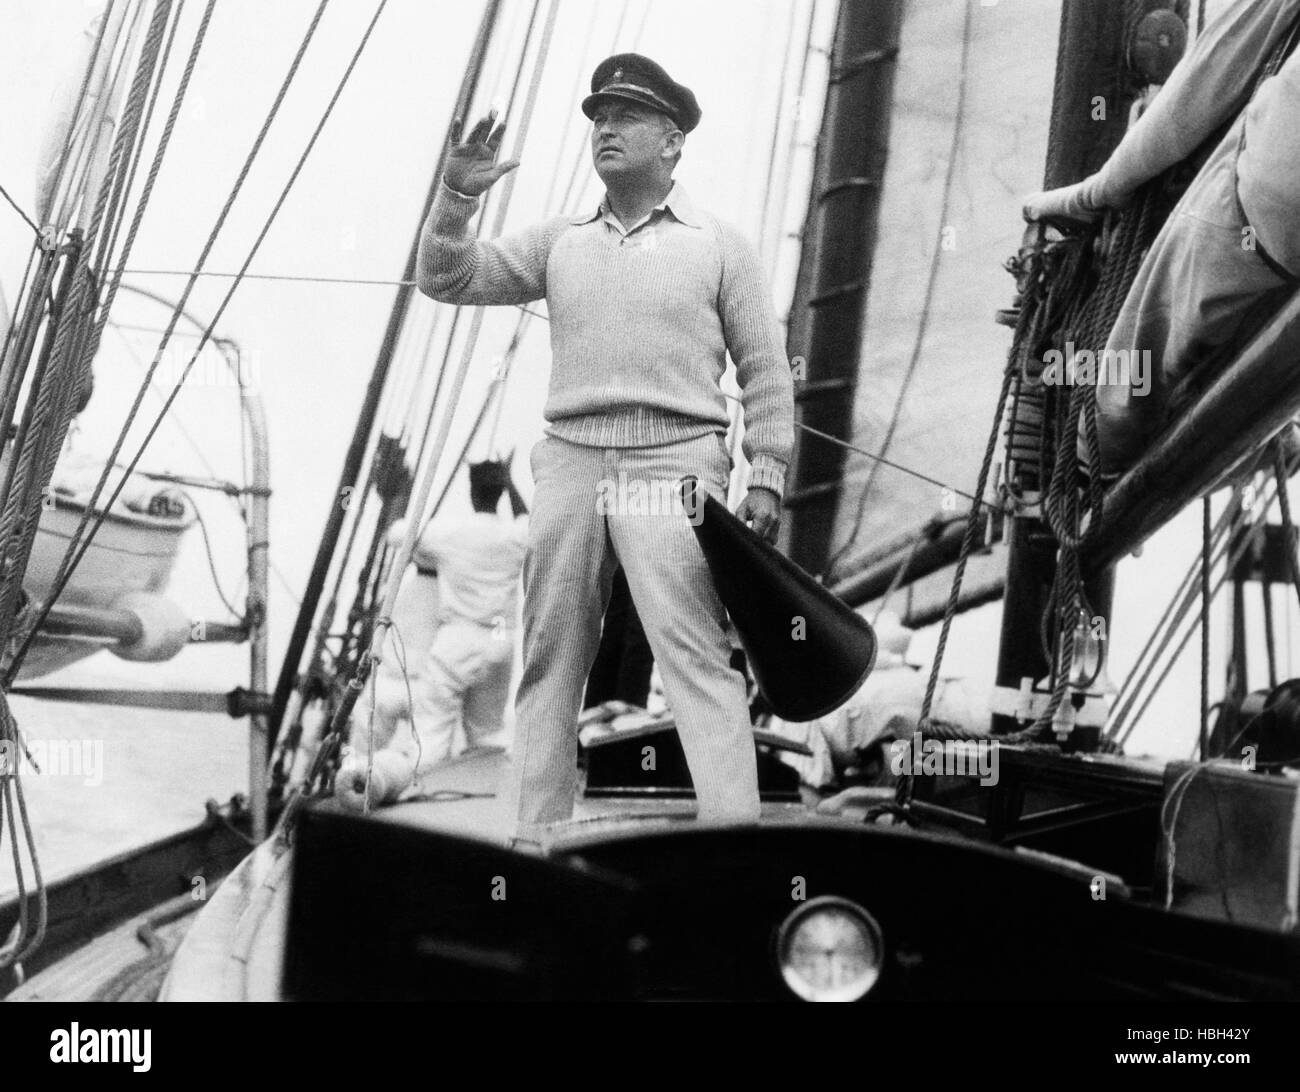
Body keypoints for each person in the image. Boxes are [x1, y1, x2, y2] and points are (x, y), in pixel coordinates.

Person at [417, 53, 794, 838]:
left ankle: (735, 842)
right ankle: (532, 838)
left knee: (692, 654)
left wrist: (770, 474)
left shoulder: (720, 246)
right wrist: (456, 199)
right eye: (598, 117)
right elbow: (448, 280)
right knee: (553, 655)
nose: (605, 129)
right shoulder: (560, 241)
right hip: (573, 457)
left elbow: (764, 369)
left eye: (625, 116)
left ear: (672, 141)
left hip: (677, 458)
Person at [1023, 0, 1300, 478]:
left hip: (1269, 205)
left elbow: (1206, 79)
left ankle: (1089, 476)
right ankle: (1271, 446)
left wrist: (1100, 189)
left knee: (1124, 391)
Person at [339, 458, 527, 807]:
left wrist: (401, 499)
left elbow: (397, 534)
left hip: (457, 641)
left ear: (471, 493)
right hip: (501, 644)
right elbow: (531, 523)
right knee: (487, 737)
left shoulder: (451, 534)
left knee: (431, 739)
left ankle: (372, 776)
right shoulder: (514, 537)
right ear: (500, 493)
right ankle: (483, 807)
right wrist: (510, 482)